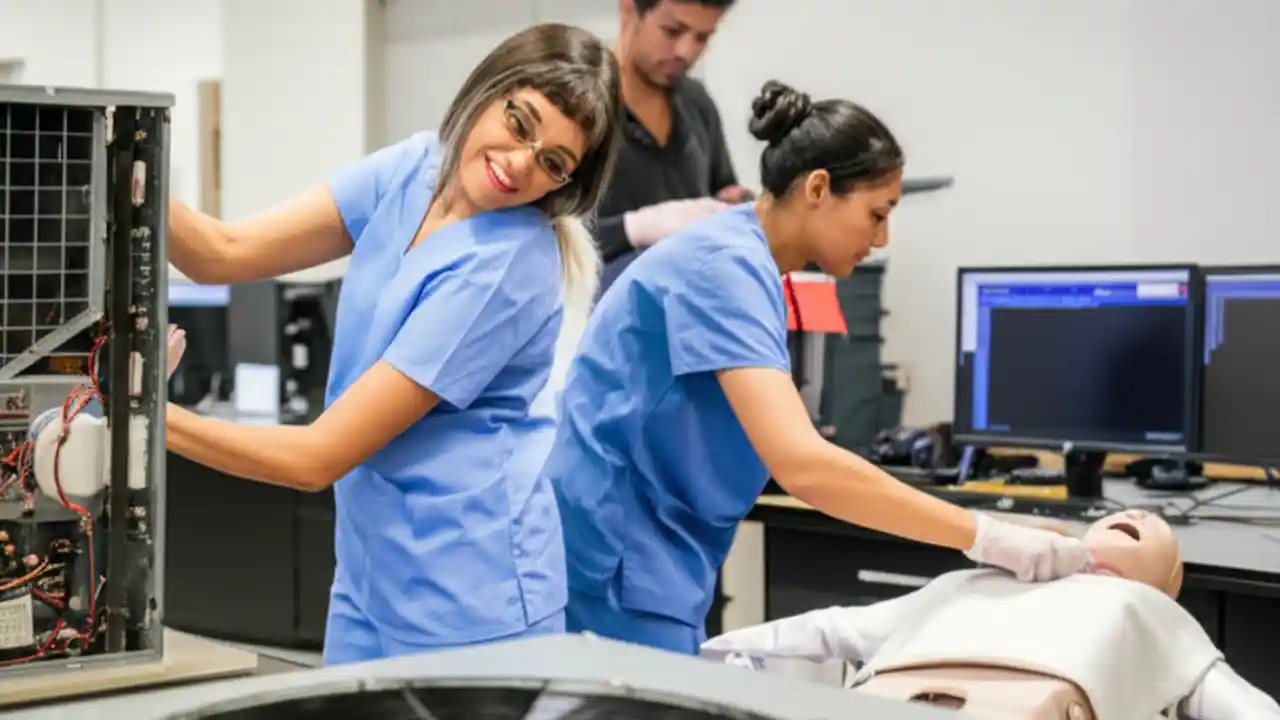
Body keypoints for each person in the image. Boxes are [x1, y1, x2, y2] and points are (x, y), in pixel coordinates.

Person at [540, 79, 1094, 657]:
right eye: (876, 214)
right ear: (819, 188)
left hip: (645, 556)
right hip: (614, 558)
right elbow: (804, 465)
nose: (881, 238)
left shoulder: (744, 261)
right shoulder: (723, 268)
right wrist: (988, 535)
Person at [161, 23, 624, 664]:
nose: (520, 164)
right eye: (519, 123)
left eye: (552, 163)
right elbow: (223, 252)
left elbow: (316, 458)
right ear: (488, 92)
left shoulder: (509, 268)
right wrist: (120, 149)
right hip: (370, 572)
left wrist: (142, 419)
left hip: (468, 600)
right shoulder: (414, 168)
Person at [702, 509, 1280, 719]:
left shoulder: (1148, 614)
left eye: (1155, 528)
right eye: (1116, 518)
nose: (1135, 513)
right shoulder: (969, 585)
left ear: (1169, 586)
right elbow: (822, 632)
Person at [593, 0, 753, 293]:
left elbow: (723, 191)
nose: (686, 52)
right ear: (628, 9)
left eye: (702, 37)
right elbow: (542, 239)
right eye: (672, 31)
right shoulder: (579, 105)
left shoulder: (697, 104)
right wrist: (632, 228)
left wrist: (733, 207)